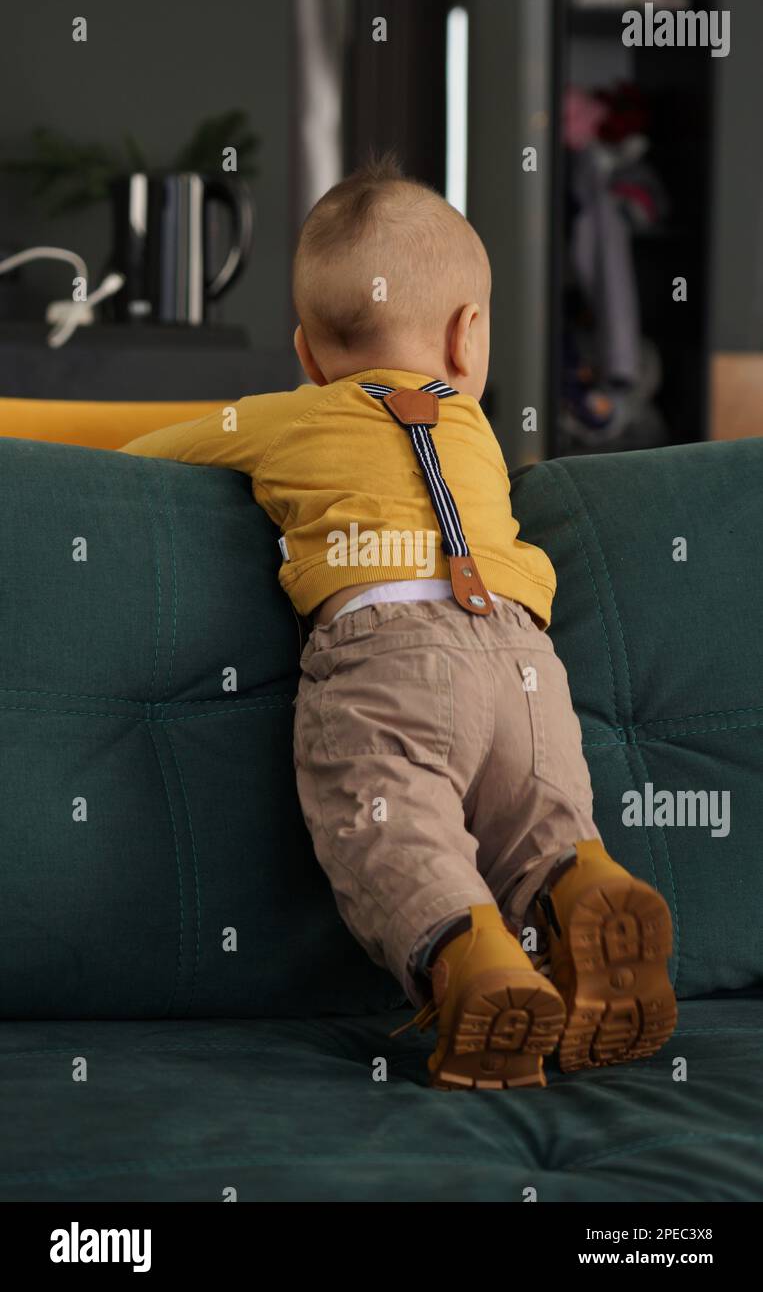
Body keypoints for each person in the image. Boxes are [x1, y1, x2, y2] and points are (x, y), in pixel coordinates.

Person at [120, 154, 676, 1089]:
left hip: (389, 653)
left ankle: (474, 962)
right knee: (535, 813)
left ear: (304, 355)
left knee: (389, 823)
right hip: (524, 659)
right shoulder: (474, 426)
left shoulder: (288, 415)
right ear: (468, 338)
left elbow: (140, 462)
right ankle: (584, 883)